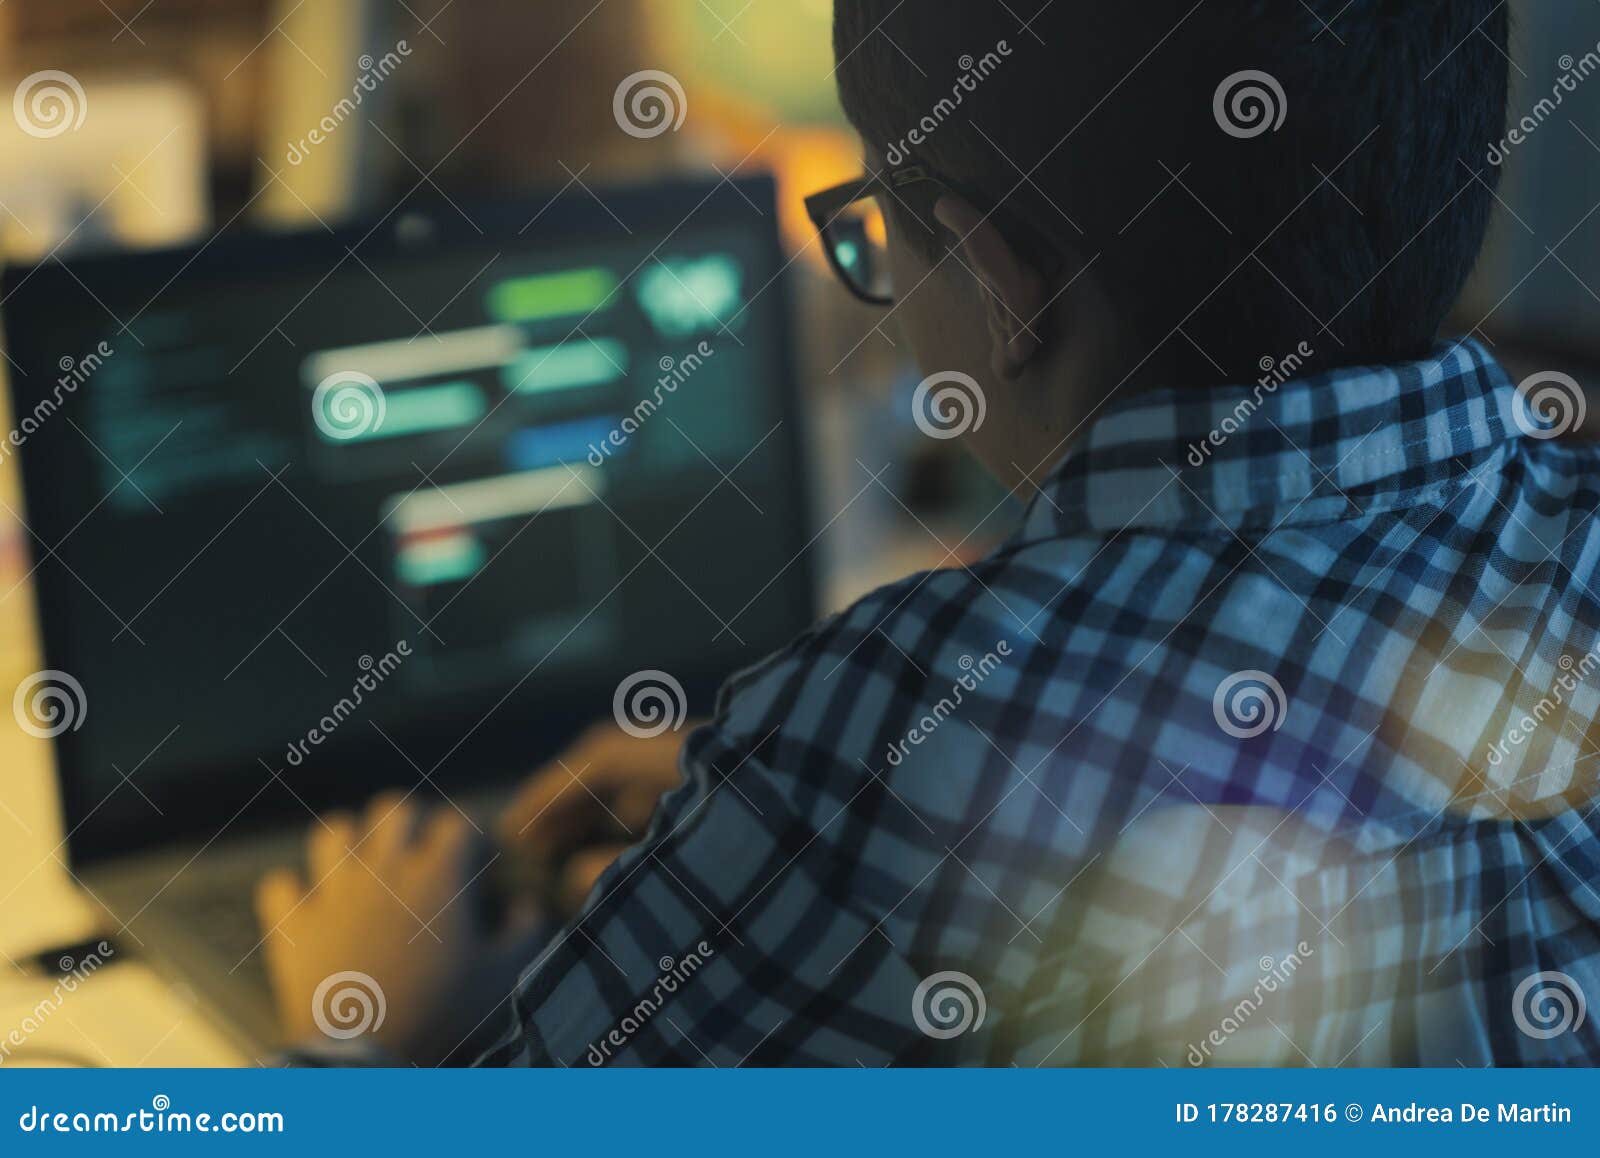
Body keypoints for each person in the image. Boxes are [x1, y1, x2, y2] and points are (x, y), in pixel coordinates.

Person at [256, 0, 1600, 1066]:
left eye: (876, 232)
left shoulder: (880, 749)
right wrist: (762, 821)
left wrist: (365, 1025)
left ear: (1006, 288)